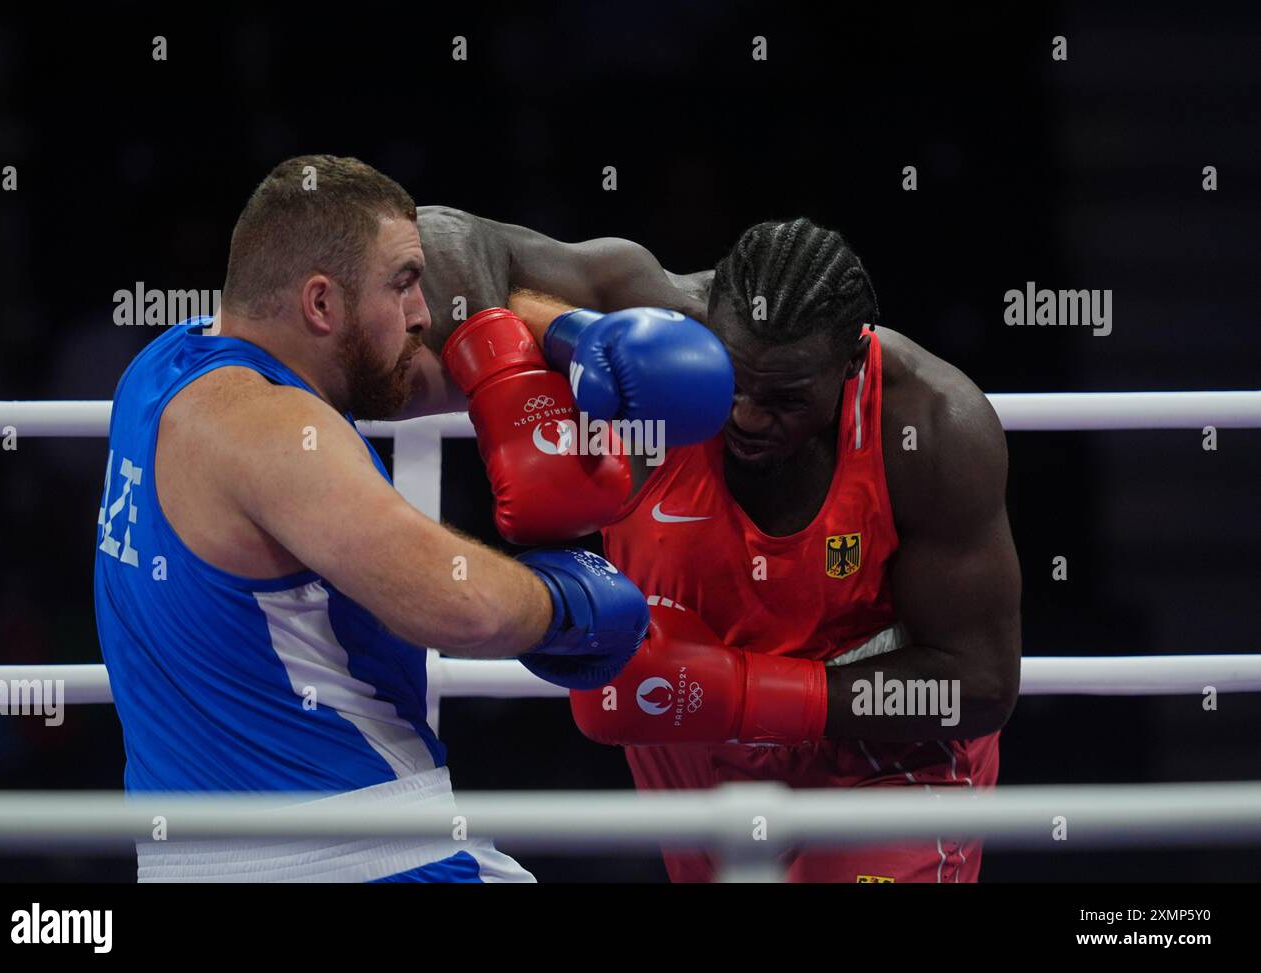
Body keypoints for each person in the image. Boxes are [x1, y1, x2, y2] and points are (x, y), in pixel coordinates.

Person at [414, 208, 1023, 882]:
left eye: (786, 397)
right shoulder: (654, 317)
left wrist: (740, 692)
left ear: (852, 359)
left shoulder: (932, 426)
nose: (749, 415)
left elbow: (983, 685)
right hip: (697, 753)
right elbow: (438, 234)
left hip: (882, 762)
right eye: (734, 381)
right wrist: (519, 385)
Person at [93, 155, 655, 883]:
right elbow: (460, 603)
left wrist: (563, 344)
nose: (424, 311)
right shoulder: (271, 429)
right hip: (357, 853)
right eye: (403, 283)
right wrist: (571, 603)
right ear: (322, 304)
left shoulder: (165, 366)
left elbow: (417, 370)